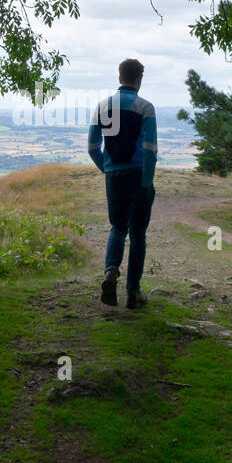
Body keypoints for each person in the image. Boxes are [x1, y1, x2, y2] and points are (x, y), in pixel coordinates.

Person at [88, 59, 158, 309]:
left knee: (117, 227)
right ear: (139, 79)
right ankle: (133, 292)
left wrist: (107, 169)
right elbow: (150, 151)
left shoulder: (102, 106)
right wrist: (147, 183)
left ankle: (110, 272)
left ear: (120, 78)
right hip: (139, 176)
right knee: (138, 234)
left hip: (114, 177)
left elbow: (92, 147)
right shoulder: (146, 108)